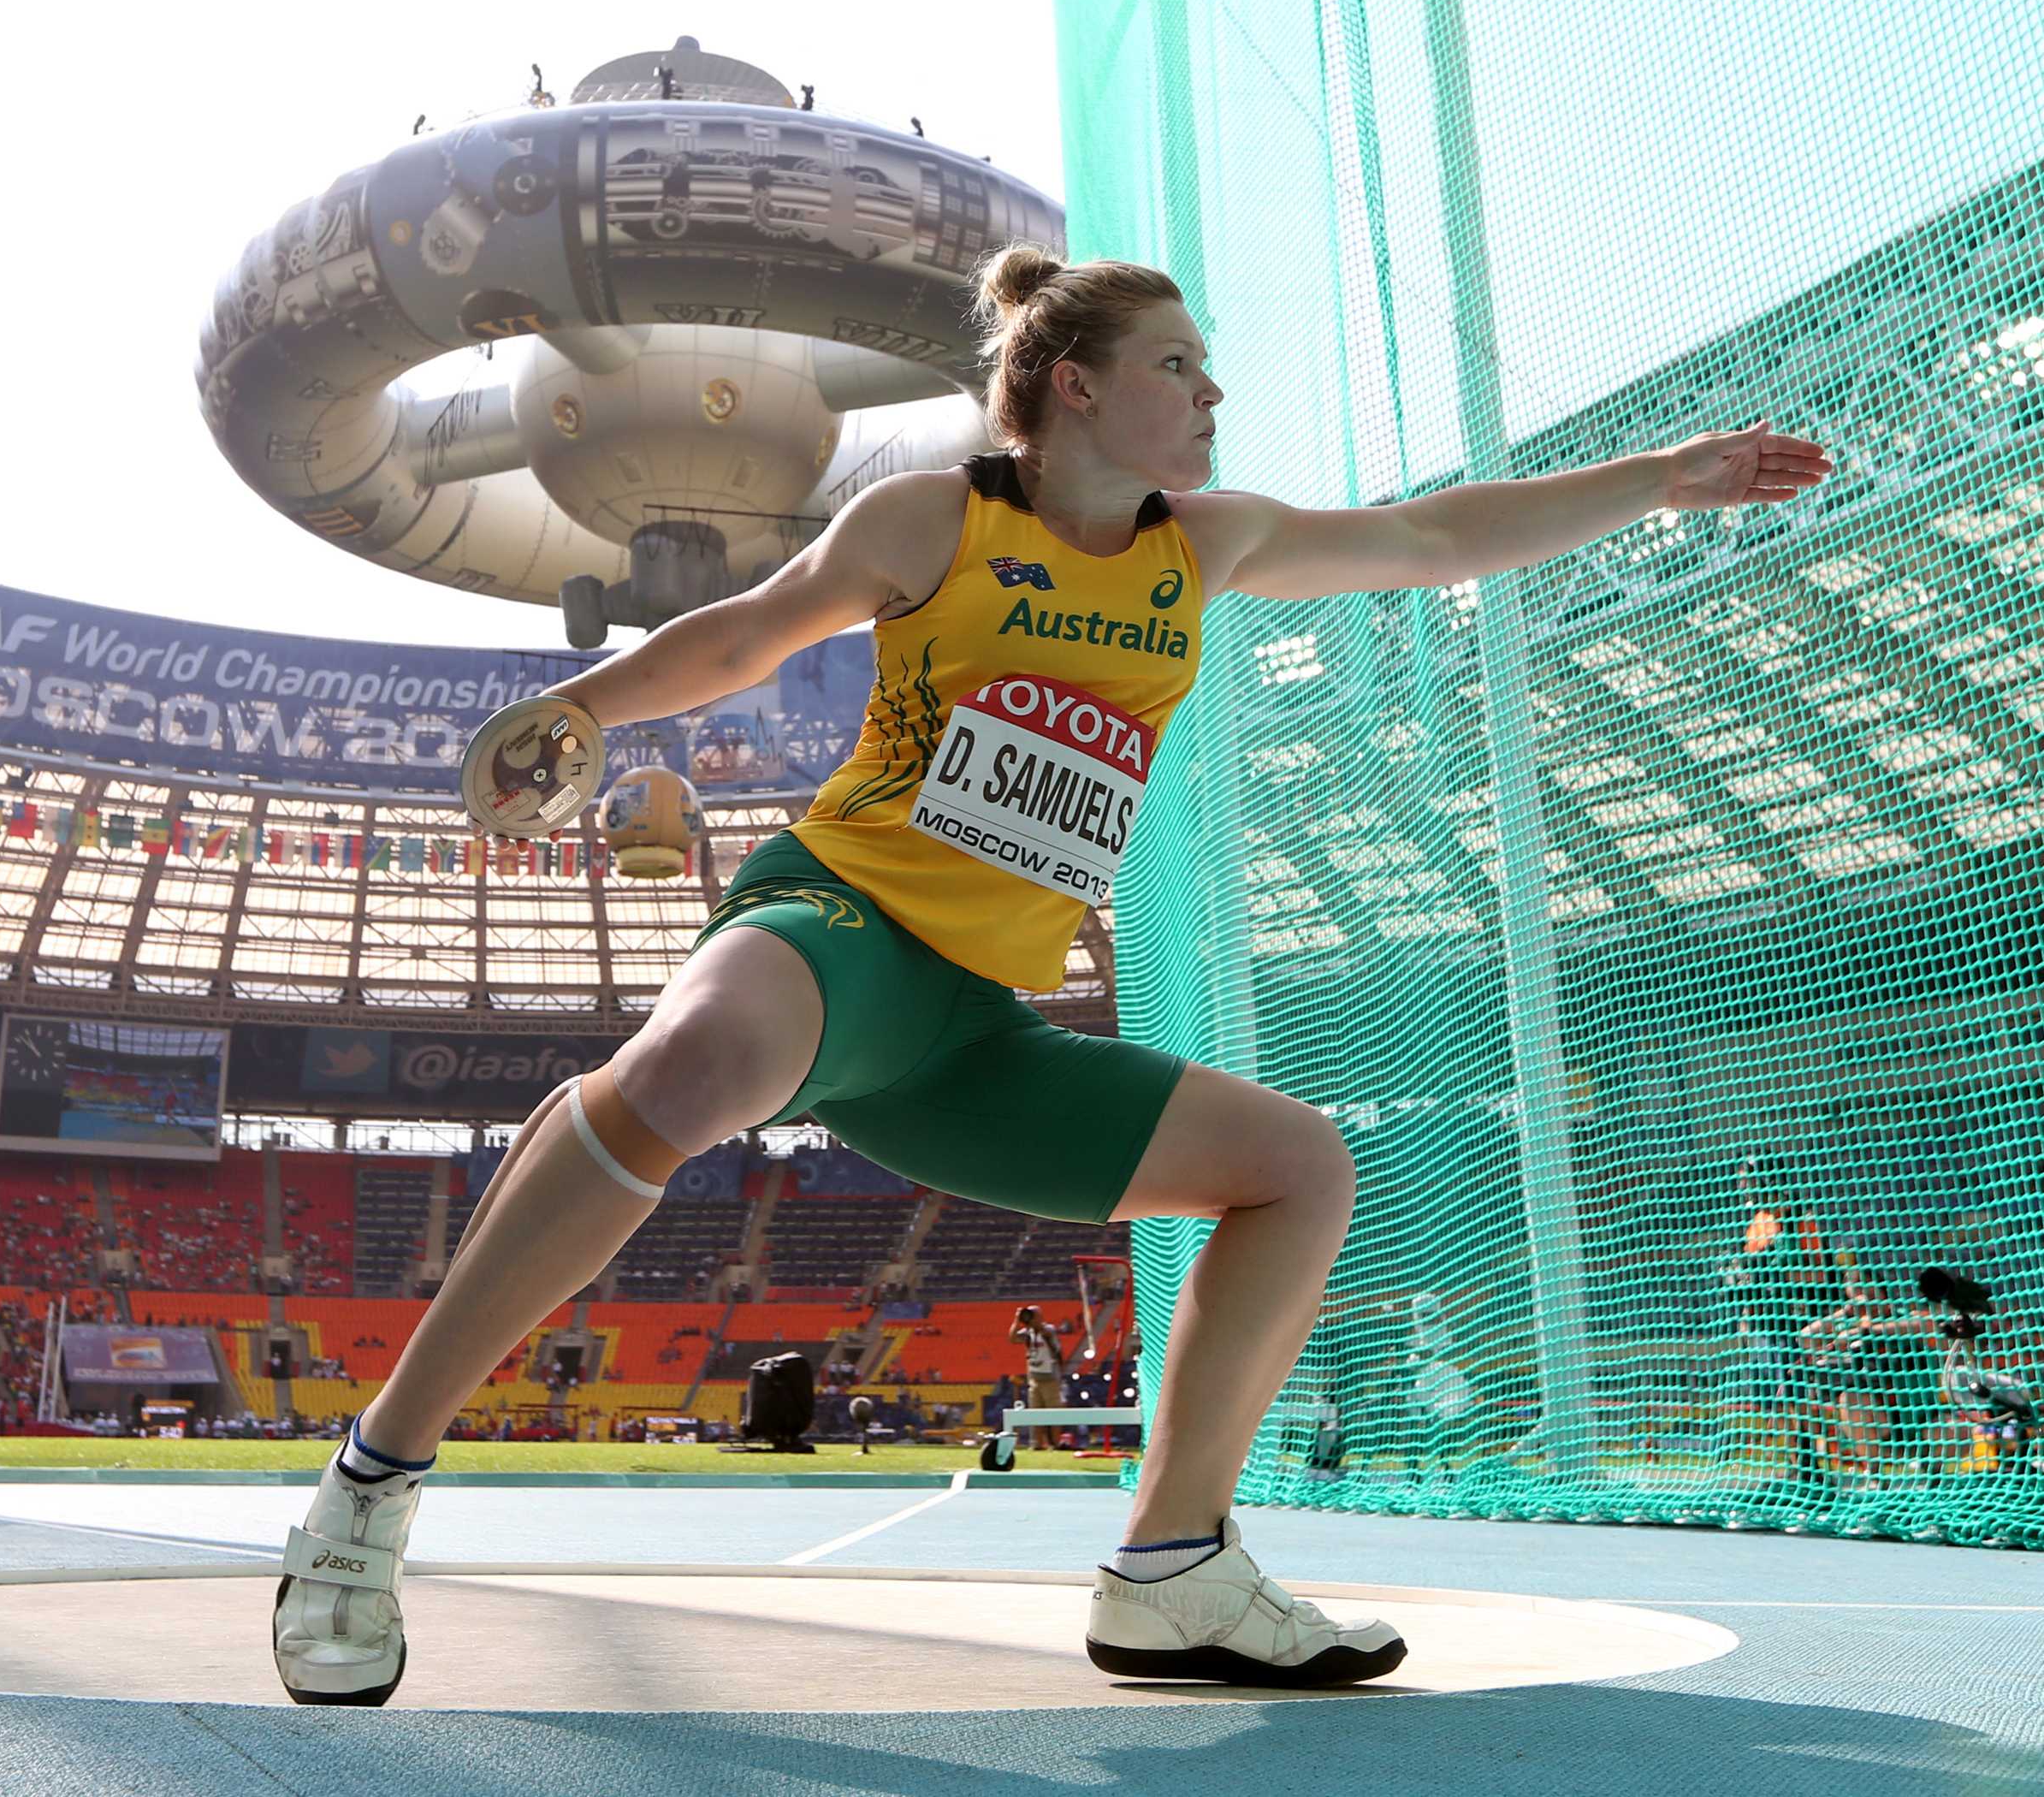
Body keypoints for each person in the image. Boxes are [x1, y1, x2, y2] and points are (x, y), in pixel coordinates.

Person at [270, 242, 1834, 1706]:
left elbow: (1432, 540)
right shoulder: (933, 522)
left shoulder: (1210, 546)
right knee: (696, 1069)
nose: (1212, 393)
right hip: (842, 924)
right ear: (1077, 381)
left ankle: (1173, 1562)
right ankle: (368, 1488)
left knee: (1299, 1164)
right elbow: (746, 633)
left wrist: (1656, 481)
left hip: (971, 1032)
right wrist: (593, 709)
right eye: (1182, 362)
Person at [1010, 1304, 1065, 1452]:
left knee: (1053, 1413)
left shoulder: (1049, 1330)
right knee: (1035, 1413)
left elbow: (1047, 1334)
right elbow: (1012, 1338)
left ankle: (1055, 1443)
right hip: (1034, 1379)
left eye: (1033, 1315)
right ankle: (1036, 1443)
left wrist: (1035, 1324)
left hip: (1050, 1379)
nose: (1030, 1319)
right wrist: (1017, 1320)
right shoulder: (1027, 1333)